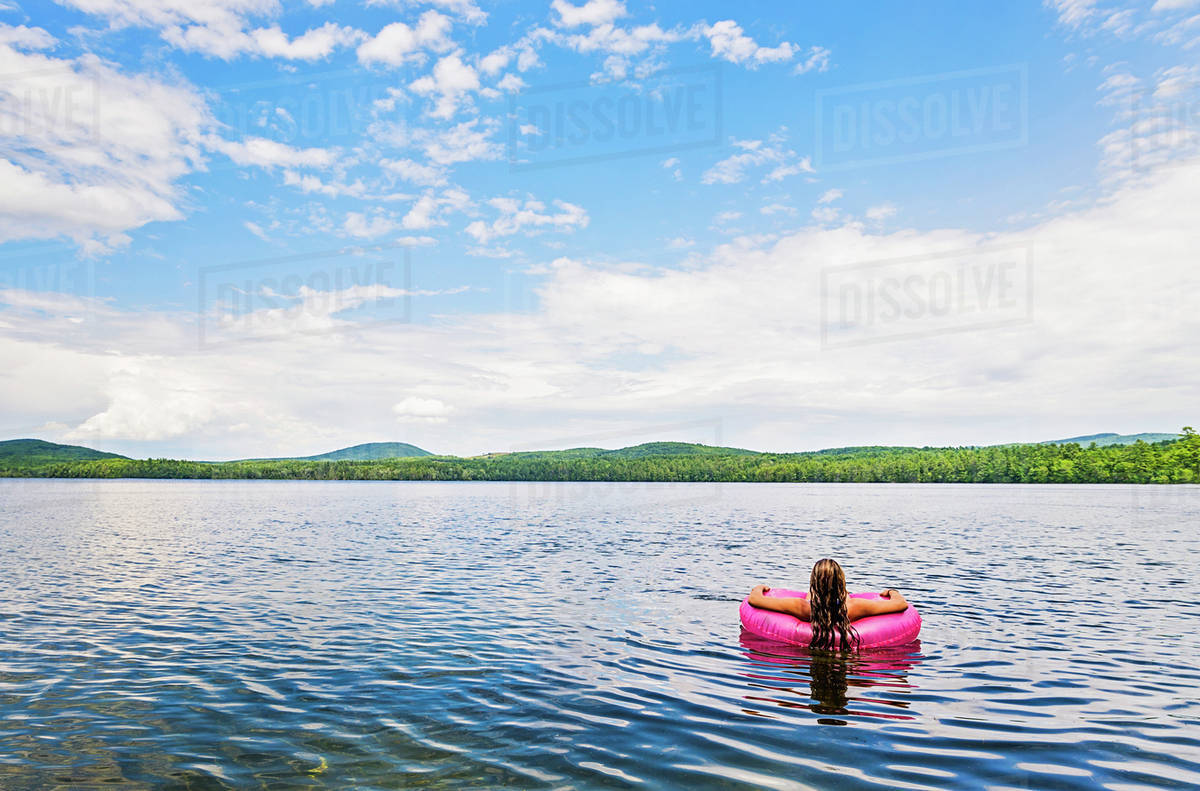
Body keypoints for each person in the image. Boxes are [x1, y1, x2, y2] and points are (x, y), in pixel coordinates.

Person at [747, 558, 908, 651]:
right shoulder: (853, 607)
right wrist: (891, 591)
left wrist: (759, 588)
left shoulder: (802, 607)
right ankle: (829, 593)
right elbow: (900, 604)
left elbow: (754, 600)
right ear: (841, 582)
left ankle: (824, 593)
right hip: (843, 617)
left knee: (815, 598)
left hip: (815, 608)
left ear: (813, 581)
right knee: (834, 598)